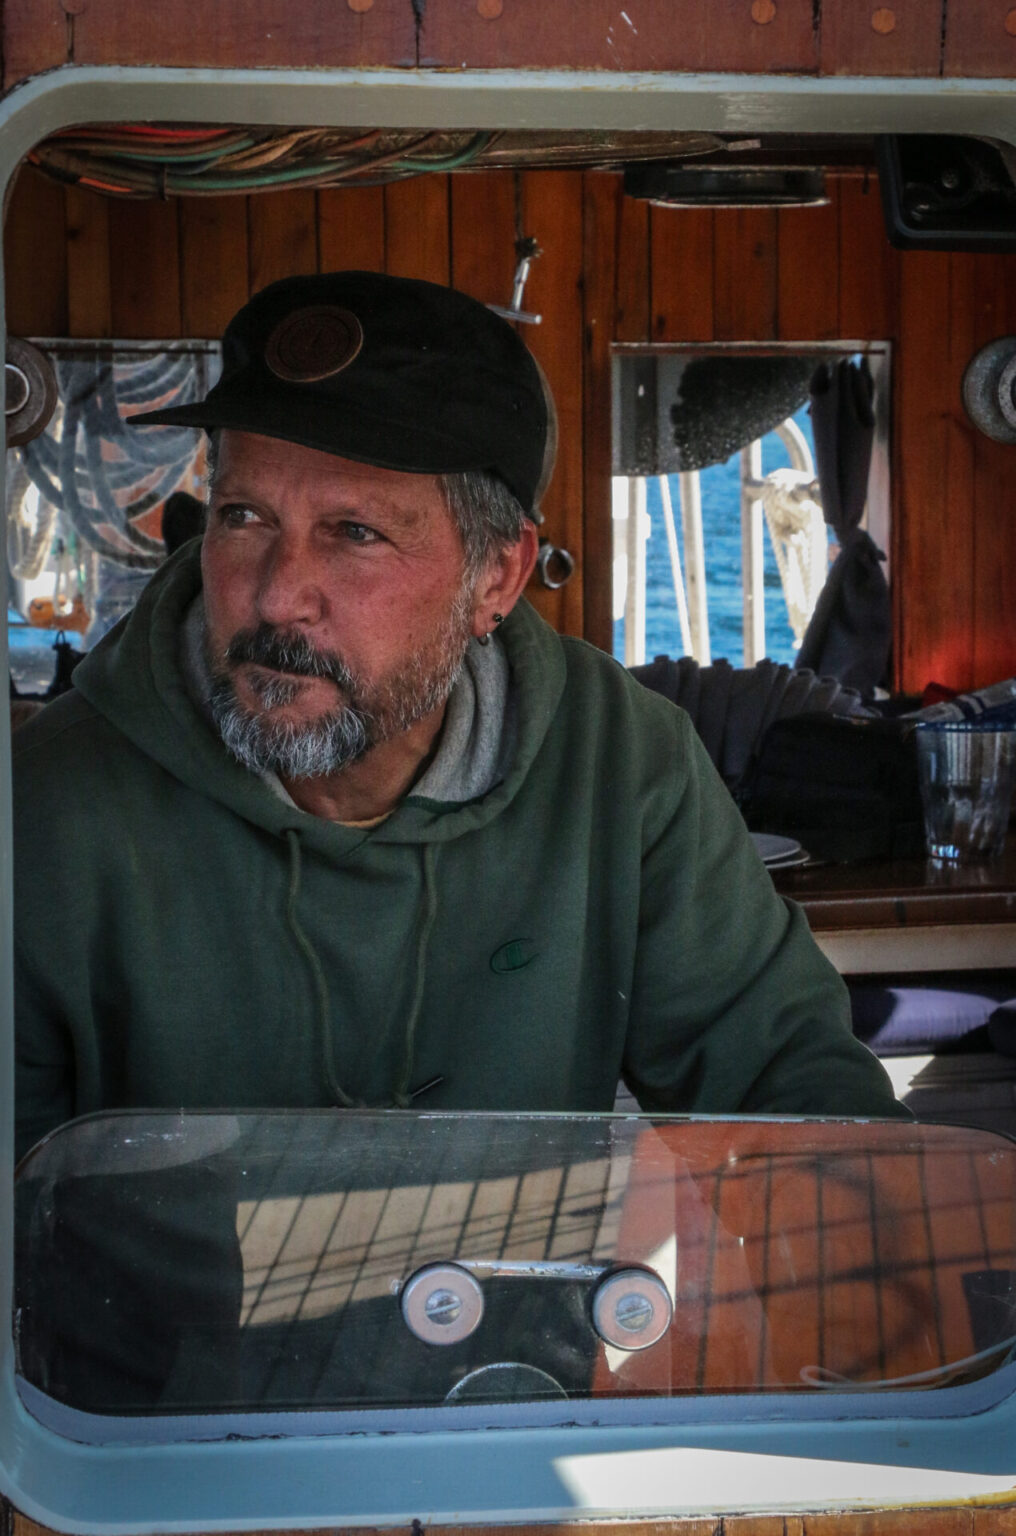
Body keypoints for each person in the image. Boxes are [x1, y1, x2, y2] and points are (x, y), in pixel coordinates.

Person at [12, 270, 903, 1164]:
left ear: (497, 578)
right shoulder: (45, 808)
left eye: (354, 532)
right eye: (242, 515)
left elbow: (792, 1090)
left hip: (524, 1306)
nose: (278, 596)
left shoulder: (622, 766)